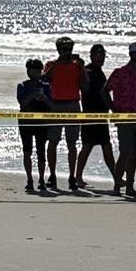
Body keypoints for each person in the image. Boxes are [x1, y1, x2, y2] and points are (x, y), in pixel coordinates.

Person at [108, 42, 136, 198]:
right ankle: (117, 185)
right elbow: (104, 92)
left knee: (134, 154)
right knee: (125, 153)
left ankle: (129, 186)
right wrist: (114, 109)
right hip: (124, 119)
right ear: (131, 54)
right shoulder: (119, 73)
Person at [76, 43, 121, 194]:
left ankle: (116, 177)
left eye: (103, 55)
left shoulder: (100, 72)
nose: (101, 57)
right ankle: (78, 177)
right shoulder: (87, 71)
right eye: (98, 54)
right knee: (87, 147)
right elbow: (85, 88)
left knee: (107, 148)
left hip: (101, 115)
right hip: (90, 115)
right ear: (92, 55)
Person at [44, 39, 84, 192]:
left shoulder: (76, 65)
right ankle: (52, 175)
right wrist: (57, 64)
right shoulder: (51, 64)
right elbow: (44, 79)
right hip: (56, 104)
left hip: (73, 104)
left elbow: (84, 85)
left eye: (69, 49)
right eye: (64, 49)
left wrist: (80, 67)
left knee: (72, 143)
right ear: (59, 50)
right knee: (53, 141)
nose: (67, 52)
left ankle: (71, 176)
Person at [17, 58, 56, 194]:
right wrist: (33, 95)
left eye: (38, 70)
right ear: (28, 71)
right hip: (26, 122)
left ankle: (41, 179)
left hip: (41, 122)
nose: (35, 73)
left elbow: (52, 106)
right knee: (27, 151)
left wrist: (44, 98)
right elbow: (22, 103)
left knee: (41, 152)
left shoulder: (46, 86)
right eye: (32, 70)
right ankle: (29, 179)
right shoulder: (22, 85)